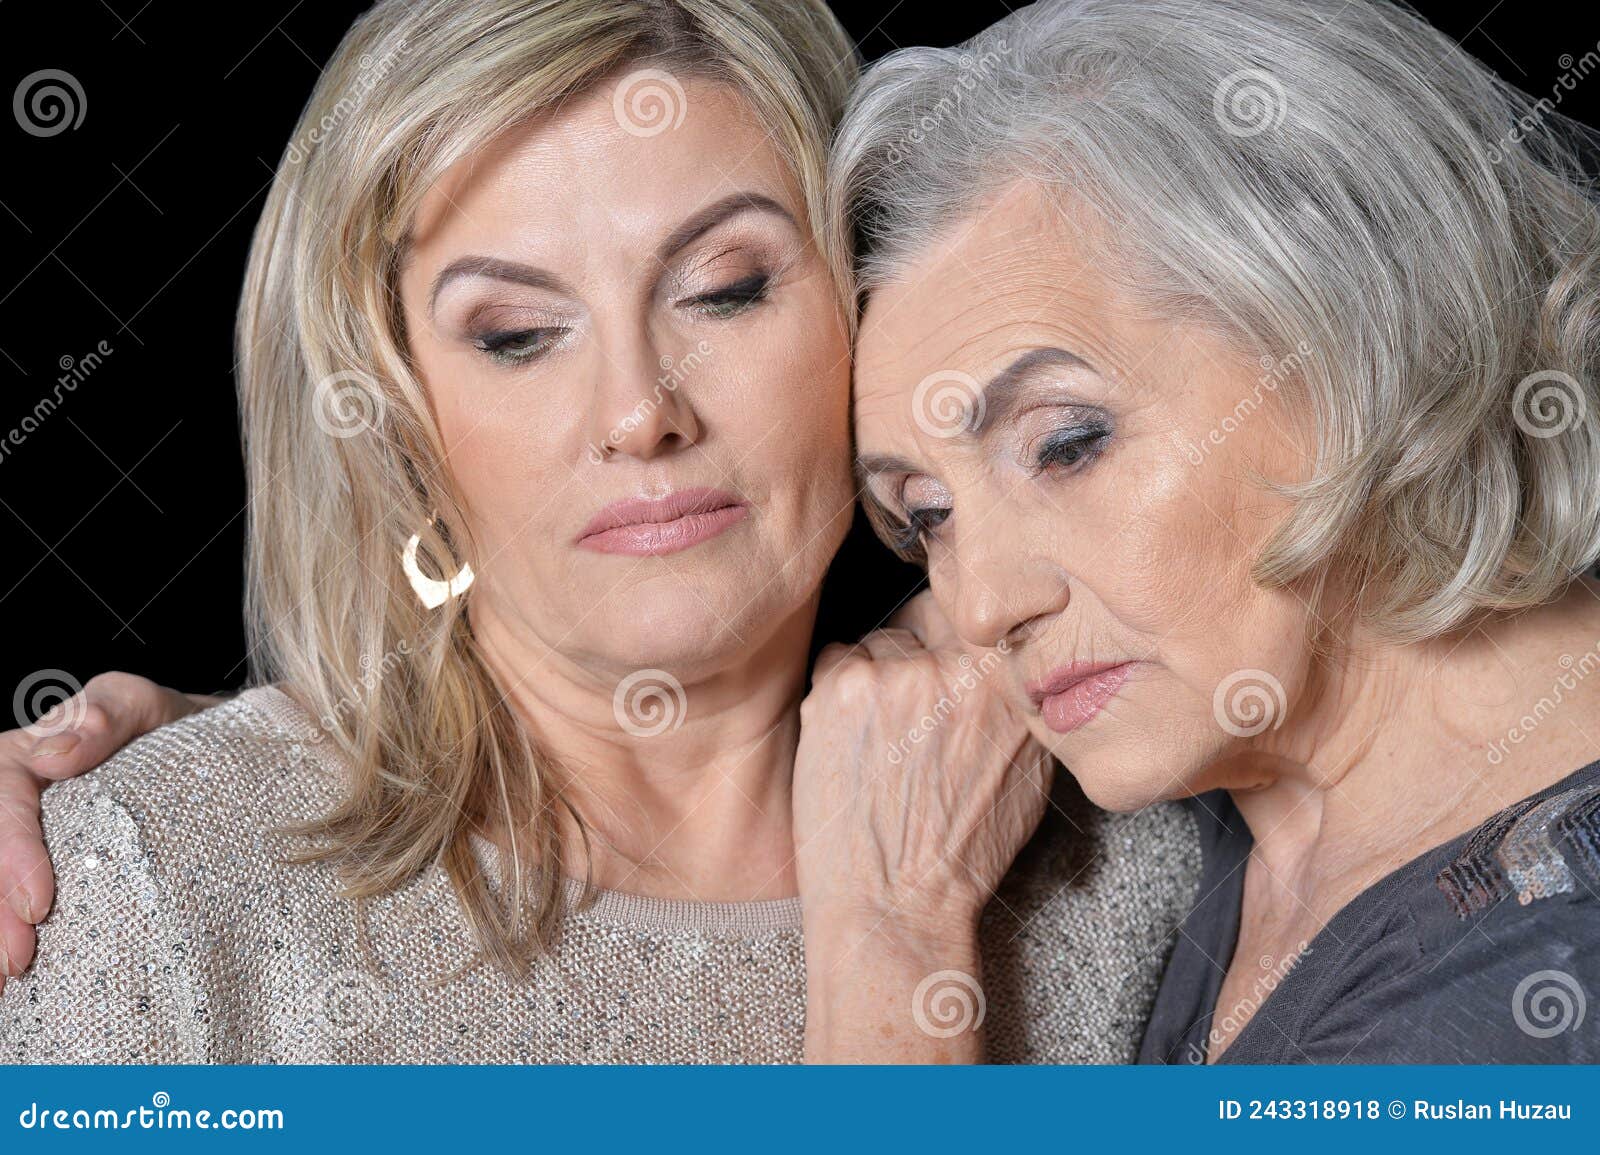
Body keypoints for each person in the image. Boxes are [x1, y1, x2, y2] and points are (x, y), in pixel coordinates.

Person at [0, 0, 1200, 1064]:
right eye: (517, 332)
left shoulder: (1144, 859)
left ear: (870, 303)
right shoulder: (140, 891)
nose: (640, 412)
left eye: (724, 288)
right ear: (391, 411)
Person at [836, 0, 1600, 1061]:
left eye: (1065, 446)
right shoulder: (1257, 776)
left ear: (1354, 334)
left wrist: (891, 930)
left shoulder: (1513, 999)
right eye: (929, 517)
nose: (978, 606)